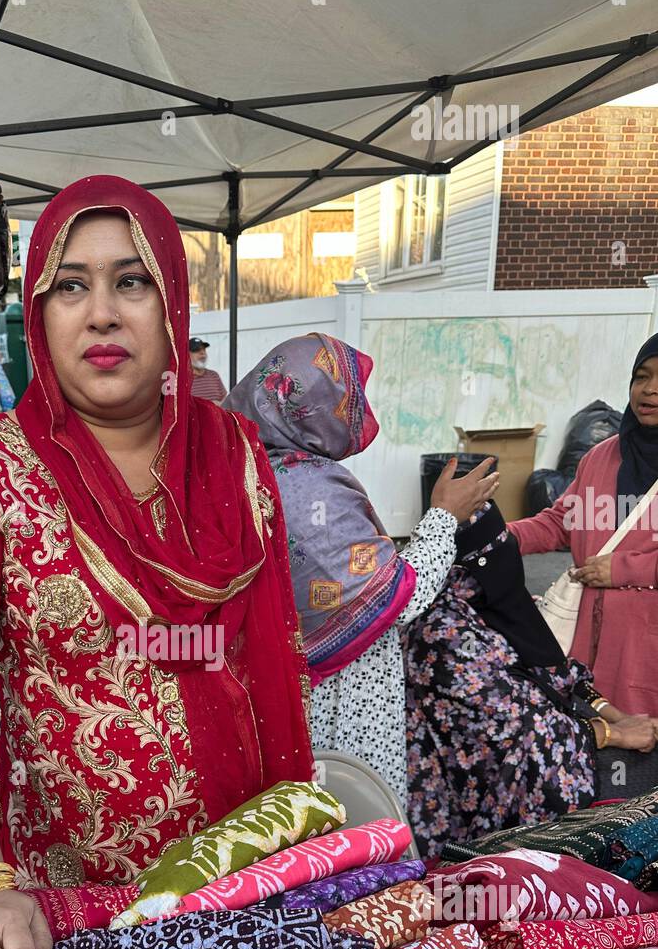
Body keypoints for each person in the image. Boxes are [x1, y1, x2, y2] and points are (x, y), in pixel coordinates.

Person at [0, 176, 314, 949]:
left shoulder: (234, 452)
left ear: (172, 305)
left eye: (131, 281)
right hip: (69, 915)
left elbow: (270, 656)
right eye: (69, 287)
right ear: (38, 315)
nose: (100, 315)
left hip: (244, 883)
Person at [225, 332, 498, 805]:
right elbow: (395, 597)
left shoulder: (242, 470)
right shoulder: (307, 488)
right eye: (344, 401)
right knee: (356, 813)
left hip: (277, 690)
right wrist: (443, 516)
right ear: (308, 408)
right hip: (345, 694)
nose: (354, 412)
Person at [403, 500, 658, 855]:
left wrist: (615, 714)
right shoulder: (443, 632)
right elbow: (518, 729)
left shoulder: (490, 599)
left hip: (552, 749)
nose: (507, 559)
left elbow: (555, 669)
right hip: (487, 800)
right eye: (497, 550)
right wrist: (612, 733)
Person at [509, 333, 658, 718]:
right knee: (591, 734)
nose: (649, 389)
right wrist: (500, 536)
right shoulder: (601, 457)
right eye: (642, 376)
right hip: (588, 641)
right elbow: (561, 522)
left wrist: (625, 569)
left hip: (645, 654)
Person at [189, 337, 227, 404]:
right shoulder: (183, 379)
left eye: (204, 349)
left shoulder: (214, 375)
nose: (202, 353)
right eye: (197, 350)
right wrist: (209, 405)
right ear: (187, 355)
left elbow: (225, 400)